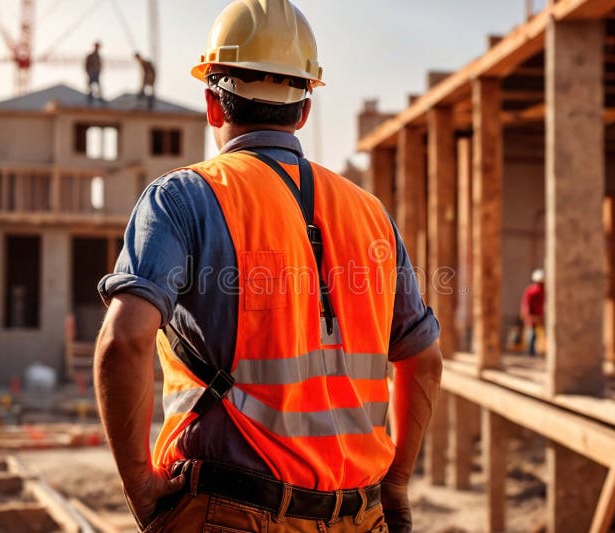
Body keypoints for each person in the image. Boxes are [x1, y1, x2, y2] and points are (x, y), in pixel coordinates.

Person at [95, 1, 442, 532]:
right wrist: (393, 484)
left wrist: (141, 488)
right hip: (360, 515)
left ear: (213, 104)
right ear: (303, 111)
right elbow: (425, 359)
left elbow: (123, 341)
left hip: (229, 513)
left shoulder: (183, 199)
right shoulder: (371, 215)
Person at [520, 268, 545, 356]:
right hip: (534, 315)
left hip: (539, 314)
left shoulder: (534, 290)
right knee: (533, 333)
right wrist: (530, 316)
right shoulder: (533, 291)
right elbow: (527, 304)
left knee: (536, 333)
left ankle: (536, 350)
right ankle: (531, 351)